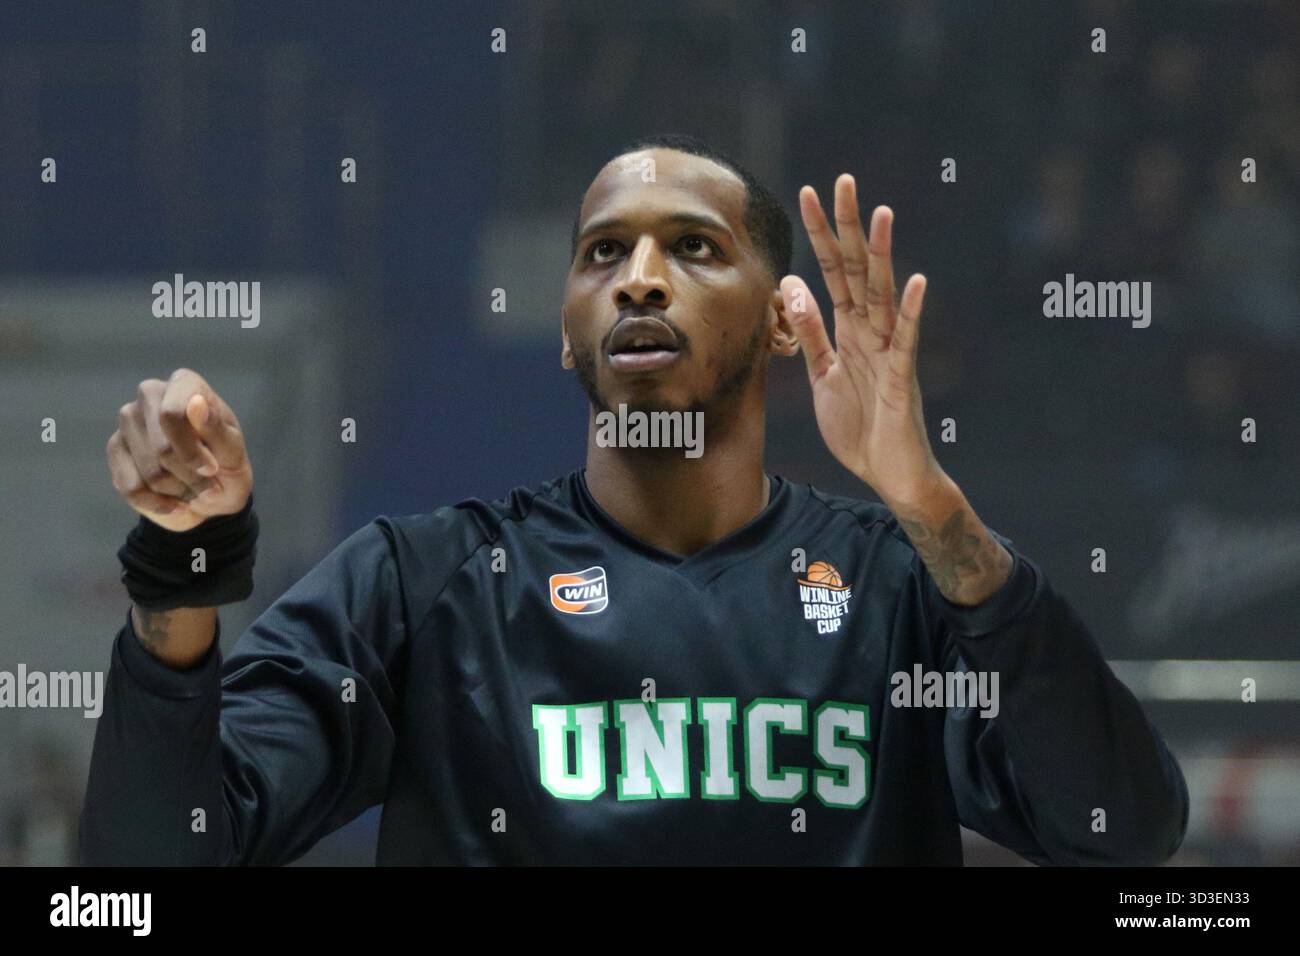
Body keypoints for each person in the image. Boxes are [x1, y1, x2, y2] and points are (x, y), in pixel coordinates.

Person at [82, 133, 1187, 865]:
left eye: (693, 247)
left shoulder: (897, 582)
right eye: (603, 250)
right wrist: (183, 558)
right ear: (568, 330)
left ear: (776, 321)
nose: (639, 276)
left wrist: (932, 505)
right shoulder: (421, 584)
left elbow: (1124, 830)